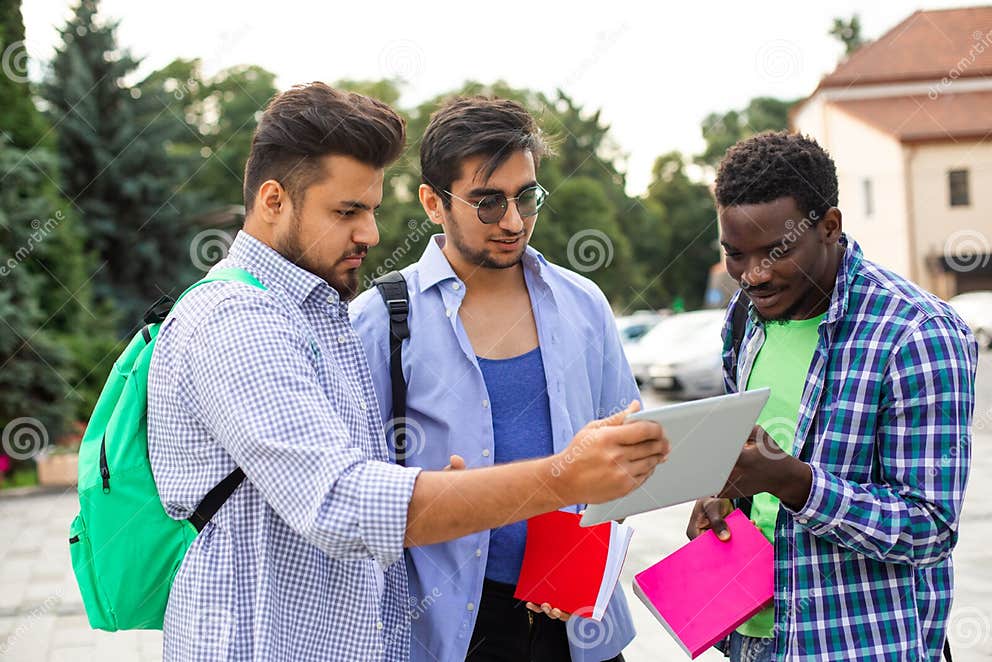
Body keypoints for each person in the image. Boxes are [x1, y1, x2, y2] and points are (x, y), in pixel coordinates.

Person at [147, 82, 670, 662]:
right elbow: (342, 501)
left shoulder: (312, 313)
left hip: (559, 624)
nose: (371, 234)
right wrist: (561, 479)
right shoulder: (240, 322)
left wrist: (456, 491)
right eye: (347, 212)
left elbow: (365, 470)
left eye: (369, 210)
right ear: (274, 201)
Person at [351, 96, 637, 662]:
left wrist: (587, 559)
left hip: (581, 622)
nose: (512, 221)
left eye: (526, 197)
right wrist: (438, 495)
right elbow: (352, 494)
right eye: (487, 203)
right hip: (450, 628)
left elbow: (626, 455)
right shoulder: (379, 321)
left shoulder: (584, 304)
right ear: (433, 203)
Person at [687, 131, 977, 661]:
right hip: (749, 636)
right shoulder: (744, 318)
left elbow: (929, 530)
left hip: (858, 645)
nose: (754, 275)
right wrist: (726, 499)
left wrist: (795, 482)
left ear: (830, 227)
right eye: (735, 254)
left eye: (776, 252)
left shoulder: (917, 335)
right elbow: (748, 467)